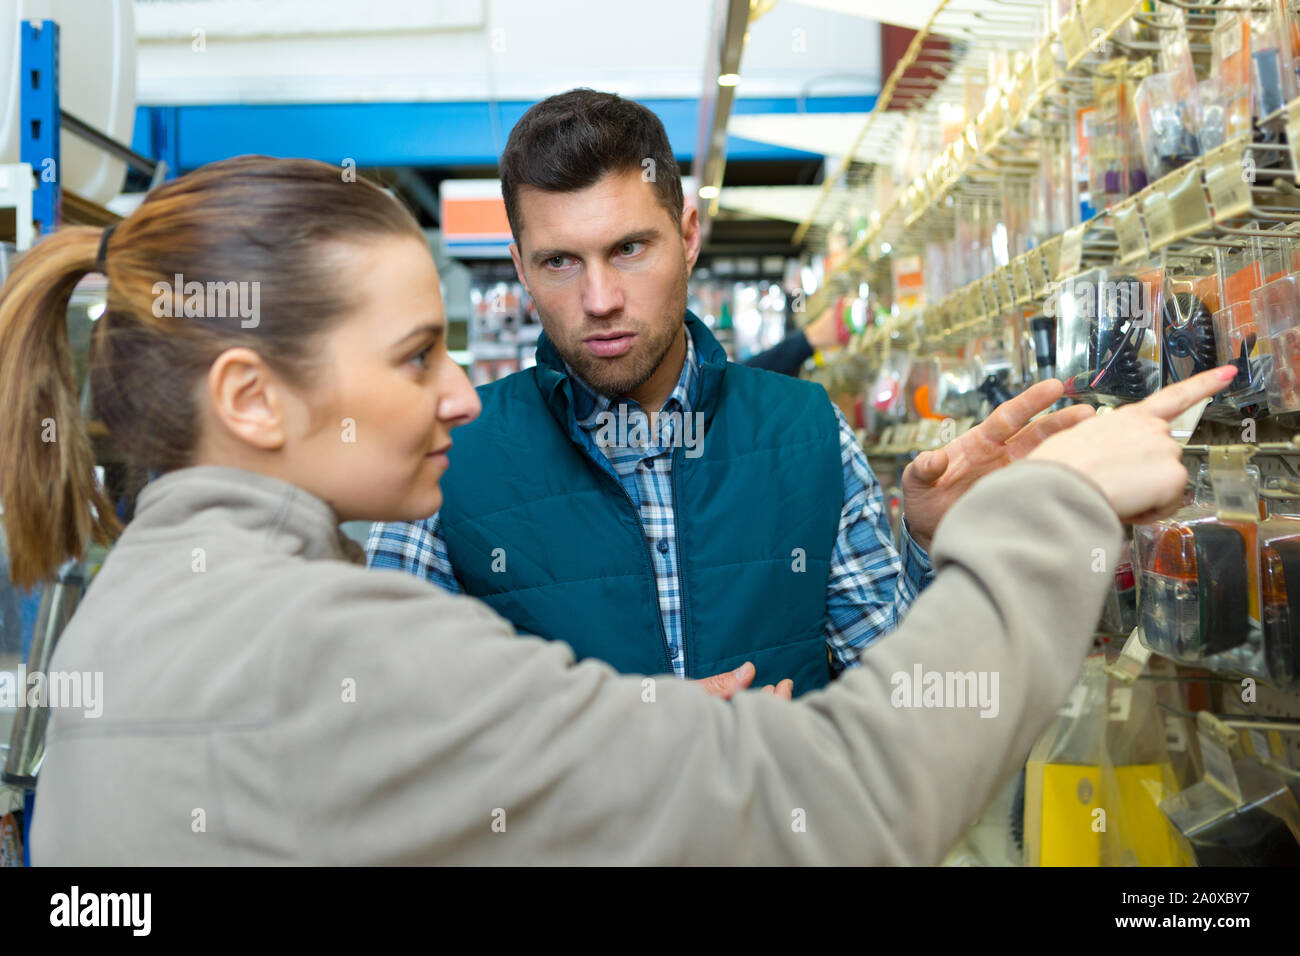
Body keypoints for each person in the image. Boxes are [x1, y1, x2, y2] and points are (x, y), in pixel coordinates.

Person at [0, 156, 1233, 865]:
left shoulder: (138, 608)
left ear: (689, 239)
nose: (457, 396)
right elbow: (846, 796)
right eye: (416, 353)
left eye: (631, 247)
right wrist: (1053, 508)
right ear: (253, 398)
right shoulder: (320, 642)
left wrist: (613, 743)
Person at [366, 90, 1094, 698]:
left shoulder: (805, 431)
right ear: (521, 269)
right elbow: (392, 731)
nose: (600, 298)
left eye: (629, 248)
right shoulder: (446, 460)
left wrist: (936, 549)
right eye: (560, 261)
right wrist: (614, 742)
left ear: (687, 236)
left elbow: (902, 697)